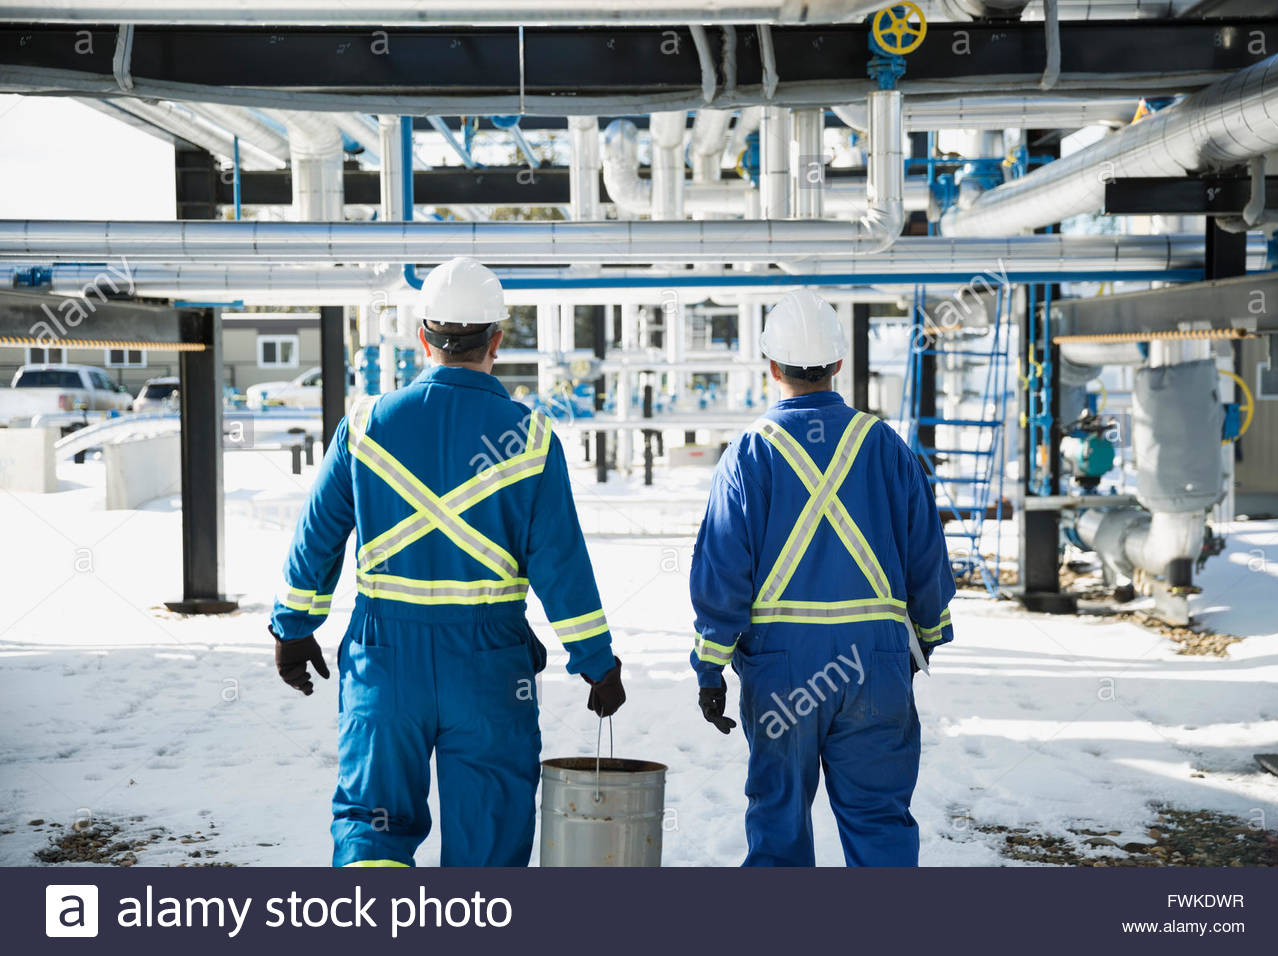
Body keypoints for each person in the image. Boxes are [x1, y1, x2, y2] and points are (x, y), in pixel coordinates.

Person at [269, 256, 625, 868]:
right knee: (490, 835)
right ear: (498, 338)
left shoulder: (364, 428)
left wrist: (293, 628)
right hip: (490, 670)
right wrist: (596, 661)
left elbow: (318, 538)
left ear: (423, 337)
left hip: (385, 661)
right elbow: (561, 565)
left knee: (372, 827)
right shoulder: (531, 437)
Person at [689, 289, 954, 867]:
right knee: (880, 820)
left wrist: (710, 666)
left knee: (778, 824)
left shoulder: (748, 454)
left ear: (772, 366)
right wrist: (926, 637)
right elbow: (927, 557)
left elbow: (723, 570)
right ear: (838, 363)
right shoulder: (885, 445)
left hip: (784, 669)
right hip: (876, 662)